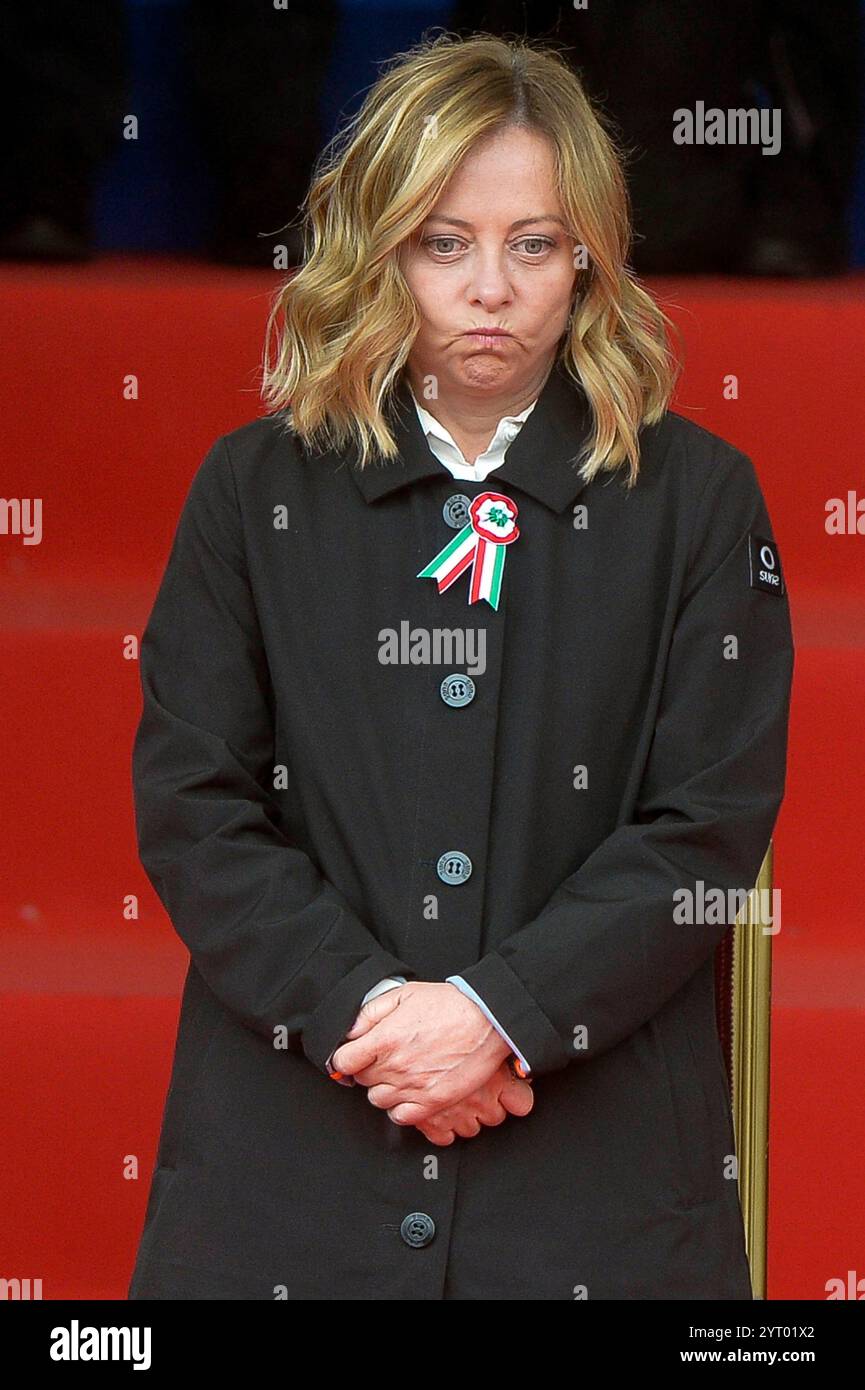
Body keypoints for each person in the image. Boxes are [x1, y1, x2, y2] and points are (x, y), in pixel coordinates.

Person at [127, 32, 794, 1300]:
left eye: (533, 244)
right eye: (445, 242)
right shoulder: (250, 490)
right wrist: (373, 1018)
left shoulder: (699, 496)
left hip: (596, 1191)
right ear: (380, 249)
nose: (491, 287)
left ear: (588, 251)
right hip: (294, 1159)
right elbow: (195, 807)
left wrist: (496, 1017)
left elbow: (703, 825)